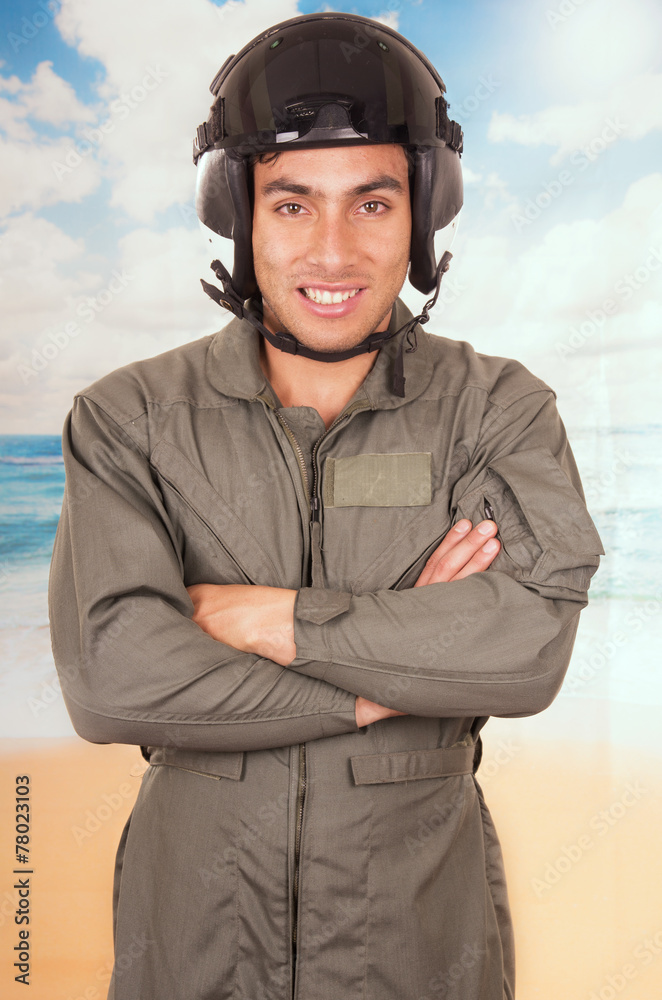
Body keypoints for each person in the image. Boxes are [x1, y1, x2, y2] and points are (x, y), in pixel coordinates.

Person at [49, 12, 603, 1000]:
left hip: (415, 937)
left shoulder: (498, 411)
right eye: (293, 205)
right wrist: (379, 687)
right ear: (242, 215)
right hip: (192, 933)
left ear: (421, 213)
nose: (334, 251)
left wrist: (269, 619)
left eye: (373, 203)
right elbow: (111, 682)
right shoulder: (127, 419)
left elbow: (522, 649)